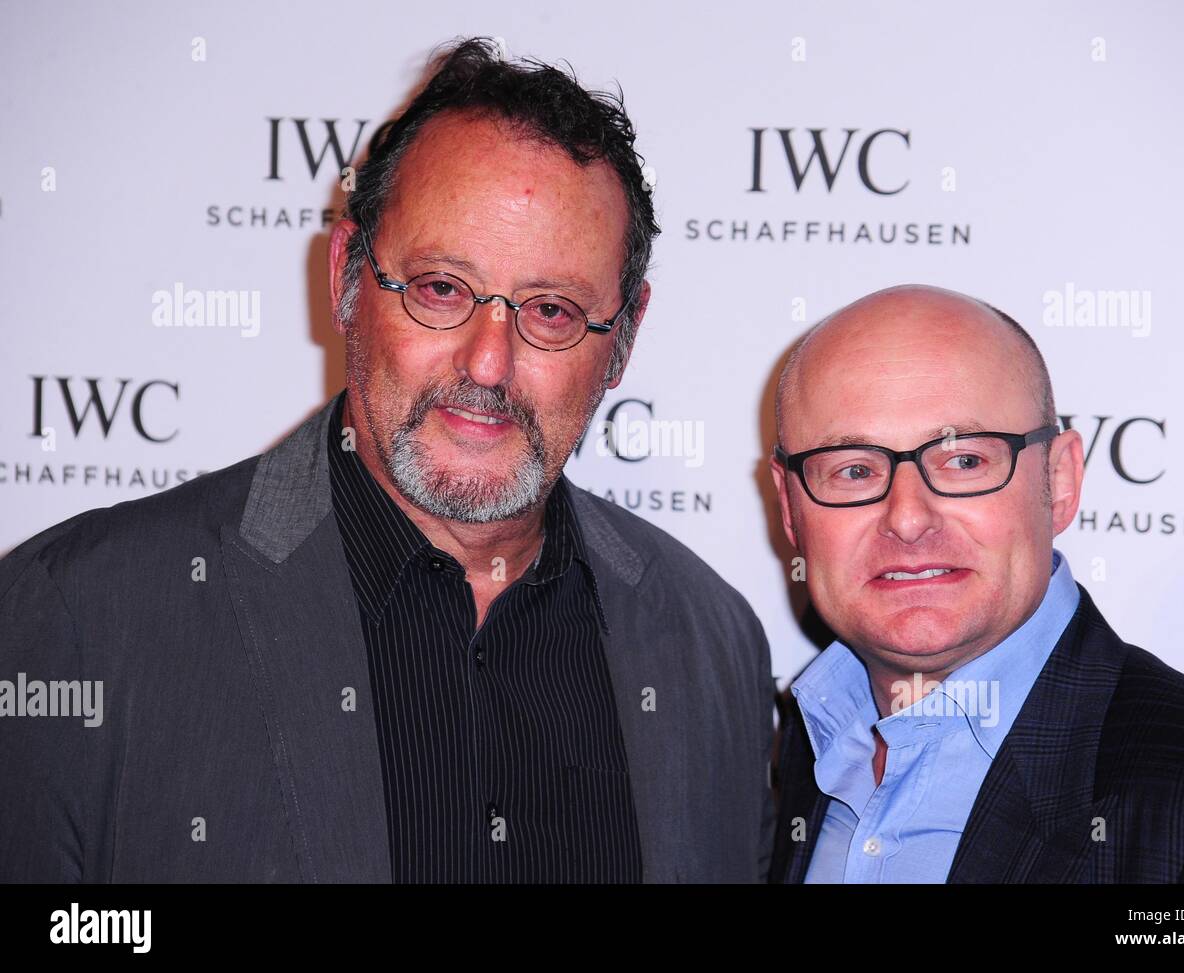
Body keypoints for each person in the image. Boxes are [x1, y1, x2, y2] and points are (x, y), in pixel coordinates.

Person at [0, 37, 774, 884]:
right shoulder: (84, 615)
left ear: (623, 337)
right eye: (441, 288)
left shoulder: (712, 646)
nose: (488, 363)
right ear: (345, 275)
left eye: (552, 310)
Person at [766, 284, 1184, 883]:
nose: (908, 518)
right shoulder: (811, 736)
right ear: (789, 505)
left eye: (964, 460)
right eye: (853, 470)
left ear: (1060, 480)